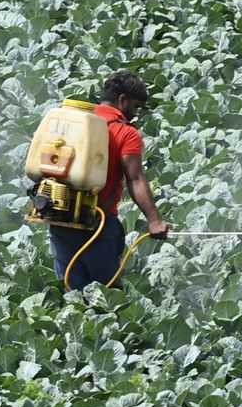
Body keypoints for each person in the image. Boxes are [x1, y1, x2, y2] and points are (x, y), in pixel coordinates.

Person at [49, 71, 170, 289]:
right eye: (135, 106)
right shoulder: (125, 132)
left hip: (59, 217)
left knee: (70, 292)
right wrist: (154, 220)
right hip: (98, 223)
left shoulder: (72, 120)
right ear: (122, 100)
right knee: (104, 296)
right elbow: (135, 178)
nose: (134, 114)